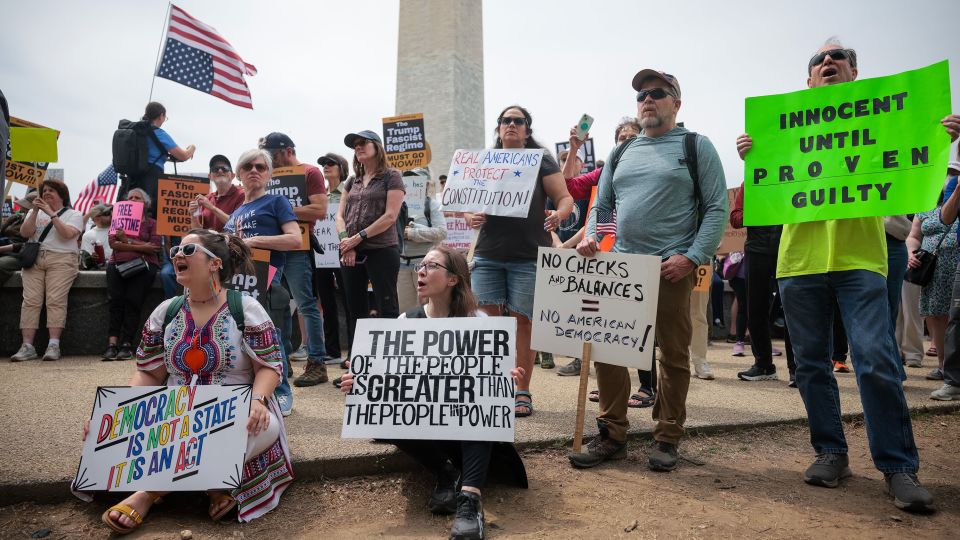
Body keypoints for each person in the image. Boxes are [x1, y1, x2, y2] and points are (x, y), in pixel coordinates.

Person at [737, 39, 959, 512]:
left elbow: (914, 163)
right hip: (800, 263)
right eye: (819, 60)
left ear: (855, 73)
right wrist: (752, 153)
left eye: (838, 57)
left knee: (877, 359)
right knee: (812, 365)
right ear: (809, 79)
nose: (828, 62)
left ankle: (898, 466)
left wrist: (940, 139)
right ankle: (830, 453)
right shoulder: (783, 130)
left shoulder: (881, 123)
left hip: (861, 260)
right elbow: (770, 186)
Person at [569, 69, 727, 470]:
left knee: (672, 356)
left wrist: (692, 257)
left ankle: (667, 437)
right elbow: (601, 207)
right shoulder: (621, 153)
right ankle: (612, 435)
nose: (647, 100)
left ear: (676, 103)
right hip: (620, 268)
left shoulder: (696, 146)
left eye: (657, 93)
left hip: (670, 268)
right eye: (641, 94)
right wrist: (592, 239)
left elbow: (715, 208)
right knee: (607, 352)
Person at [87, 229, 292, 533]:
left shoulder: (245, 309)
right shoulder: (165, 312)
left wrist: (258, 402)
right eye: (176, 250)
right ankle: (213, 484)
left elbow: (269, 367)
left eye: (187, 249)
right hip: (176, 416)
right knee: (101, 430)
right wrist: (118, 414)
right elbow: (149, 373)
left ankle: (148, 493)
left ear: (215, 264)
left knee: (262, 427)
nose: (177, 255)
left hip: (236, 414)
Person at [339, 246, 526, 540]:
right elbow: (388, 386)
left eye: (431, 265)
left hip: (469, 432)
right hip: (428, 431)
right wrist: (359, 383)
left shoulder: (478, 322)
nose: (421, 271)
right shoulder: (405, 323)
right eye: (420, 265)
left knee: (478, 400)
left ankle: (469, 500)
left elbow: (493, 381)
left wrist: (505, 380)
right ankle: (446, 472)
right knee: (388, 408)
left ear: (453, 279)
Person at [468, 105, 573, 417]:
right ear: (499, 128)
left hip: (529, 256)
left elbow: (564, 197)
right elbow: (464, 200)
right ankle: (492, 386)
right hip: (487, 254)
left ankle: (521, 390)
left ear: (528, 129)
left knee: (523, 322)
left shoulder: (541, 159)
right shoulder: (483, 161)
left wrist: (559, 214)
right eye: (506, 120)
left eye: (518, 121)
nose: (511, 124)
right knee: (487, 323)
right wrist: (468, 215)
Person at [224, 149, 303, 416]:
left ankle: (281, 394)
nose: (254, 170)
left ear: (269, 174)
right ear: (239, 174)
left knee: (270, 334)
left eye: (261, 166)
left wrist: (254, 241)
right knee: (242, 335)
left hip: (267, 276)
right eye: (248, 166)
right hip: (237, 279)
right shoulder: (236, 212)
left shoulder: (276, 202)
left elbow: (295, 239)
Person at [256, 133, 331, 388]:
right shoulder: (266, 175)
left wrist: (280, 209)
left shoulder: (310, 172)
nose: (269, 160)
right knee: (276, 303)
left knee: (306, 304)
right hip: (272, 245)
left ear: (287, 151)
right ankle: (282, 362)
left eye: (273, 155)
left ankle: (317, 363)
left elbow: (320, 209)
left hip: (298, 246)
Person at [336, 130, 405, 348]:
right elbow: (340, 215)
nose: (358, 147)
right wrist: (347, 243)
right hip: (351, 251)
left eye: (363, 142)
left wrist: (357, 239)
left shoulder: (391, 176)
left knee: (387, 307)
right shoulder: (351, 181)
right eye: (355, 144)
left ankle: (389, 363)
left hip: (382, 249)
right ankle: (357, 365)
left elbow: (390, 216)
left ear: (377, 146)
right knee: (355, 308)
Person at [730, 184, 797, 385]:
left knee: (792, 311)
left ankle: (797, 369)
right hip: (757, 251)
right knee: (755, 309)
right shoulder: (748, 182)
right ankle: (763, 365)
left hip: (790, 248)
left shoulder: (796, 175)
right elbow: (735, 219)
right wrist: (760, 206)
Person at [11, 180, 84, 362]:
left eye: (52, 190)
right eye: (44, 191)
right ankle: (27, 346)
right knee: (30, 301)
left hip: (62, 259)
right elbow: (25, 233)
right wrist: (35, 211)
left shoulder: (74, 214)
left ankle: (54, 345)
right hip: (35, 258)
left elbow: (67, 234)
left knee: (55, 300)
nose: (47, 193)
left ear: (62, 194)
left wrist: (51, 213)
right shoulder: (32, 212)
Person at [102, 189, 162, 360]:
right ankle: (112, 344)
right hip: (117, 265)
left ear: (145, 203)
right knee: (116, 302)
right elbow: (114, 244)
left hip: (144, 266)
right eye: (130, 198)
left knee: (133, 302)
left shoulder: (152, 223)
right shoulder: (118, 220)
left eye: (137, 197)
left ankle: (127, 344)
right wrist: (142, 246)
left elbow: (155, 247)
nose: (133, 200)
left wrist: (127, 241)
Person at [907, 192, 958, 381]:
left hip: (956, 266)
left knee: (954, 316)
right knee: (935, 314)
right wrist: (911, 252)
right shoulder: (924, 205)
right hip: (933, 270)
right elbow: (913, 236)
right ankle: (943, 365)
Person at [308, 152, 352, 362]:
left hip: (344, 251)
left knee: (349, 299)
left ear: (341, 167)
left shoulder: (349, 192)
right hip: (321, 254)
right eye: (323, 164)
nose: (326, 166)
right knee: (326, 301)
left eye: (330, 163)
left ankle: (353, 350)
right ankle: (332, 350)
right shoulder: (319, 196)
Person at [118, 102, 195, 217]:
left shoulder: (135, 131)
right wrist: (192, 148)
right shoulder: (159, 133)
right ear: (161, 116)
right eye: (165, 117)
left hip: (132, 178)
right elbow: (183, 156)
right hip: (152, 177)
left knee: (131, 214)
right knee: (150, 213)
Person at [397, 167, 447, 313]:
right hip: (401, 266)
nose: (411, 182)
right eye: (408, 179)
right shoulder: (397, 205)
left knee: (427, 309)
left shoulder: (432, 205)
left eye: (416, 179)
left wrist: (411, 233)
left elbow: (441, 232)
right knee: (405, 310)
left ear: (425, 184)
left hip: (424, 265)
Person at [931, 158, 960, 401]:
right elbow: (946, 218)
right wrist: (959, 188)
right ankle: (953, 381)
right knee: (956, 319)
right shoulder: (954, 183)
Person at [190, 154, 245, 232]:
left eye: (225, 168)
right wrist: (193, 216)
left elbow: (238, 225)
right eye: (215, 169)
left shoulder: (242, 195)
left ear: (232, 175)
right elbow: (197, 232)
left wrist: (212, 208)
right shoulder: (206, 199)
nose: (220, 171)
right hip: (209, 243)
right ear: (210, 176)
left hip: (231, 243)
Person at [79, 204, 114, 269]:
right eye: (107, 213)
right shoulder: (87, 236)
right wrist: (91, 258)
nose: (111, 215)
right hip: (99, 270)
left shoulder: (119, 230)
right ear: (96, 218)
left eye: (111, 212)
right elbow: (85, 261)